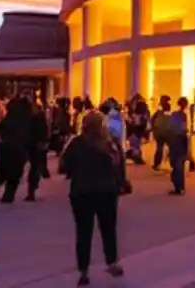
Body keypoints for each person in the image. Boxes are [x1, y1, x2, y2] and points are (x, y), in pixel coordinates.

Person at [60, 111, 125, 286]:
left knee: (83, 232)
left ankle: (84, 271)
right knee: (108, 228)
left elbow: (64, 165)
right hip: (106, 191)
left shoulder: (76, 143)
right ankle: (112, 262)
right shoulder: (110, 143)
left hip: (82, 192)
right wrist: (120, 184)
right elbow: (120, 166)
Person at [26, 98, 51, 201]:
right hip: (35, 145)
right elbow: (44, 130)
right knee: (35, 166)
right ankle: (32, 188)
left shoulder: (31, 118)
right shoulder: (38, 117)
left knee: (35, 167)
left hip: (33, 145)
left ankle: (32, 189)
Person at [167, 97, 192, 195]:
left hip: (176, 141)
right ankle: (180, 187)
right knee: (179, 165)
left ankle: (178, 187)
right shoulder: (184, 115)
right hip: (182, 140)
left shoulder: (175, 115)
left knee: (177, 165)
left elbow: (173, 128)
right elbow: (184, 130)